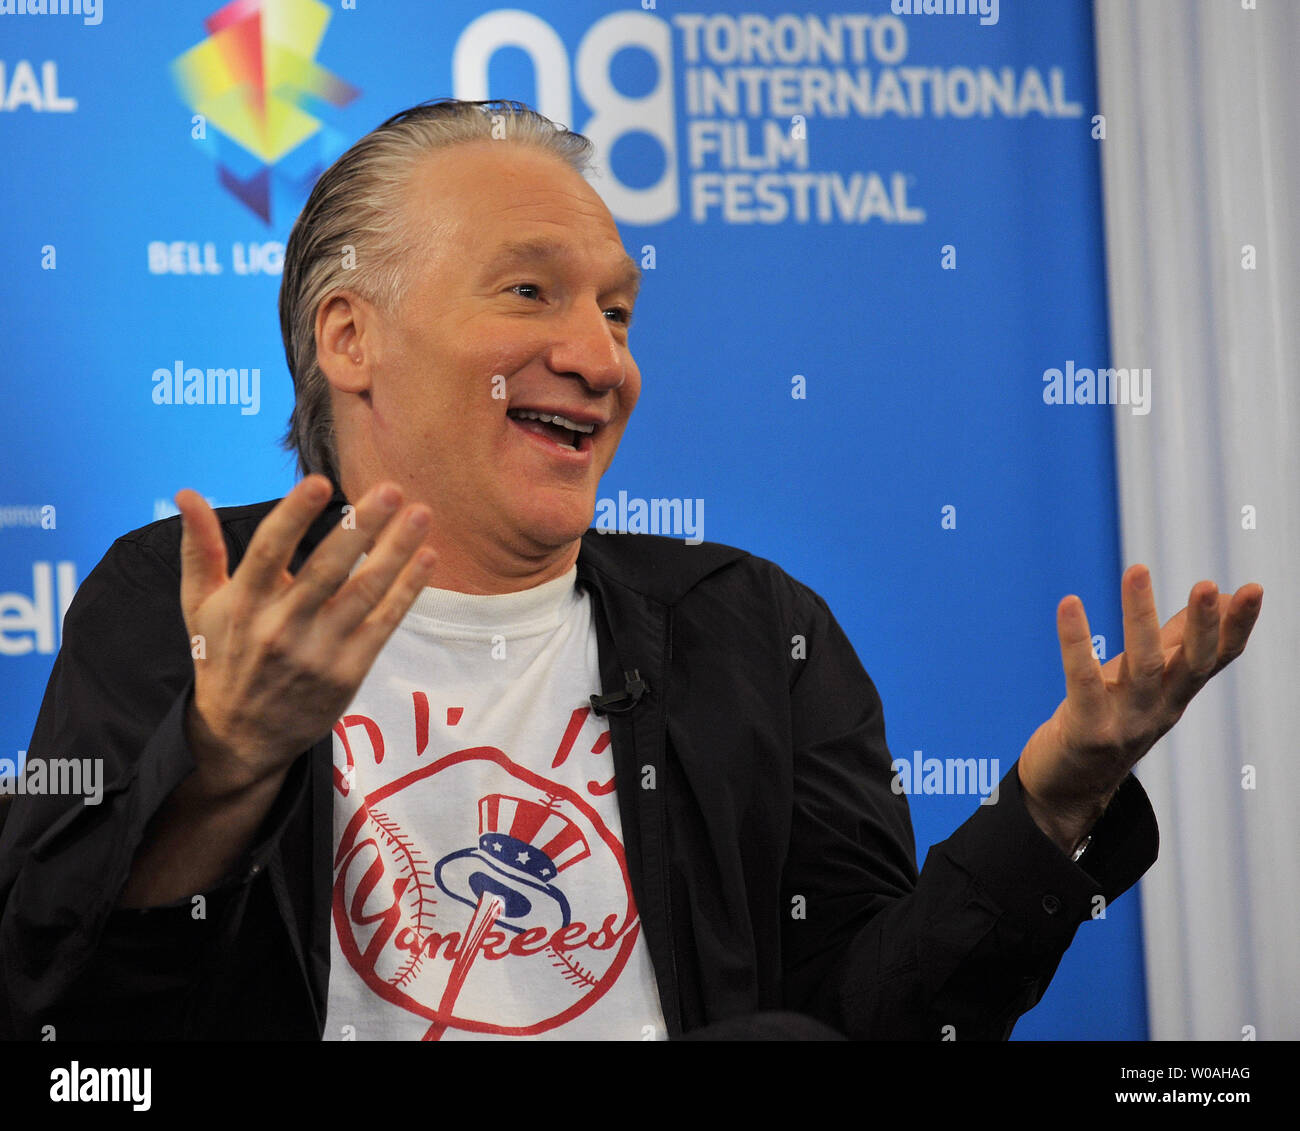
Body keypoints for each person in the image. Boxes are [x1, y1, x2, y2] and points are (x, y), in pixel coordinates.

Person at [0, 99, 1262, 1041]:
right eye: (530, 293)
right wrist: (221, 767)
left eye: (615, 313)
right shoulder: (180, 599)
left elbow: (871, 1023)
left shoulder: (755, 632)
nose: (600, 360)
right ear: (350, 336)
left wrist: (1047, 816)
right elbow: (66, 1031)